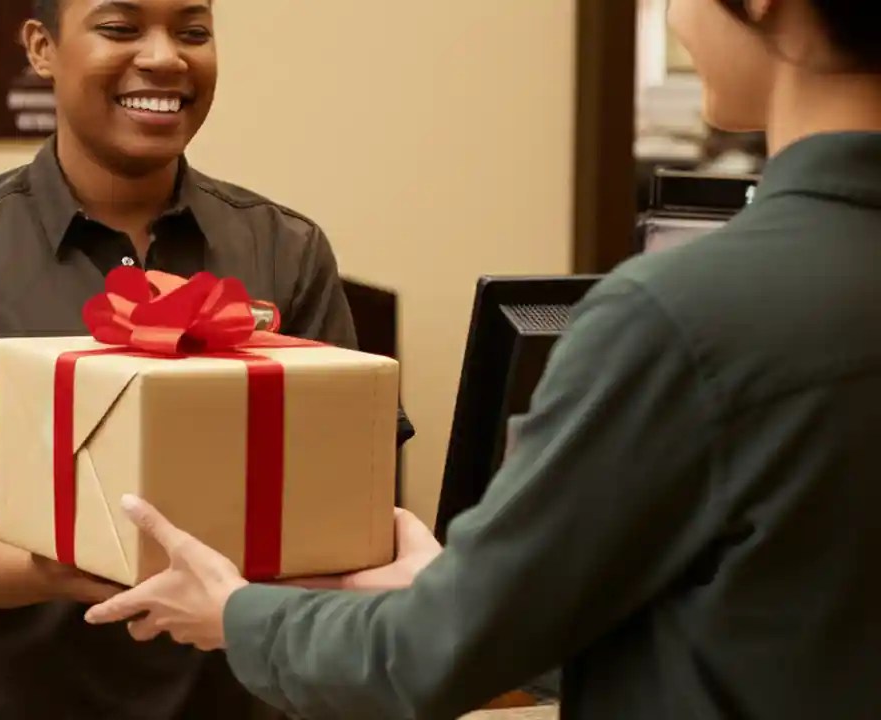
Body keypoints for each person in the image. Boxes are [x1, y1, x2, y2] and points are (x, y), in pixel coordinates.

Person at [84, 1, 881, 717]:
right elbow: (771, 624)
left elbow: (435, 654)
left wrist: (234, 615)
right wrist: (474, 596)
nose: (673, 17)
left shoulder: (679, 319)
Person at [0, 0, 414, 718]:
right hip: (4, 695)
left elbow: (341, 498)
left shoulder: (284, 250)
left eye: (193, 31)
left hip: (224, 694)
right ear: (42, 48)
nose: (165, 58)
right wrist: (71, 565)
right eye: (120, 28)